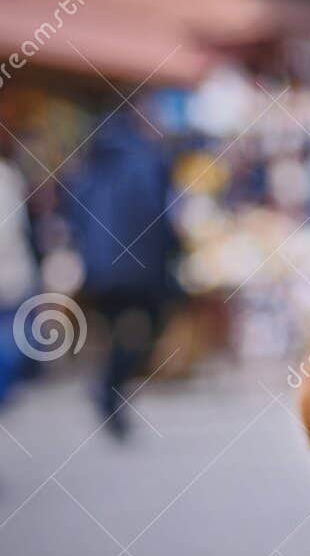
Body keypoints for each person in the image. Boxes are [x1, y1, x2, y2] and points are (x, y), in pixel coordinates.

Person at [61, 109, 182, 438]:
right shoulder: (147, 163)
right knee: (151, 324)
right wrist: (173, 252)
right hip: (140, 268)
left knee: (118, 332)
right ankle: (111, 386)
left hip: (100, 269)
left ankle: (110, 388)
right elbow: (159, 216)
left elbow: (74, 218)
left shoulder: (88, 169)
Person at [0, 134, 39, 407]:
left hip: (10, 271)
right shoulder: (6, 177)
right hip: (10, 271)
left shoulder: (7, 177)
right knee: (12, 334)